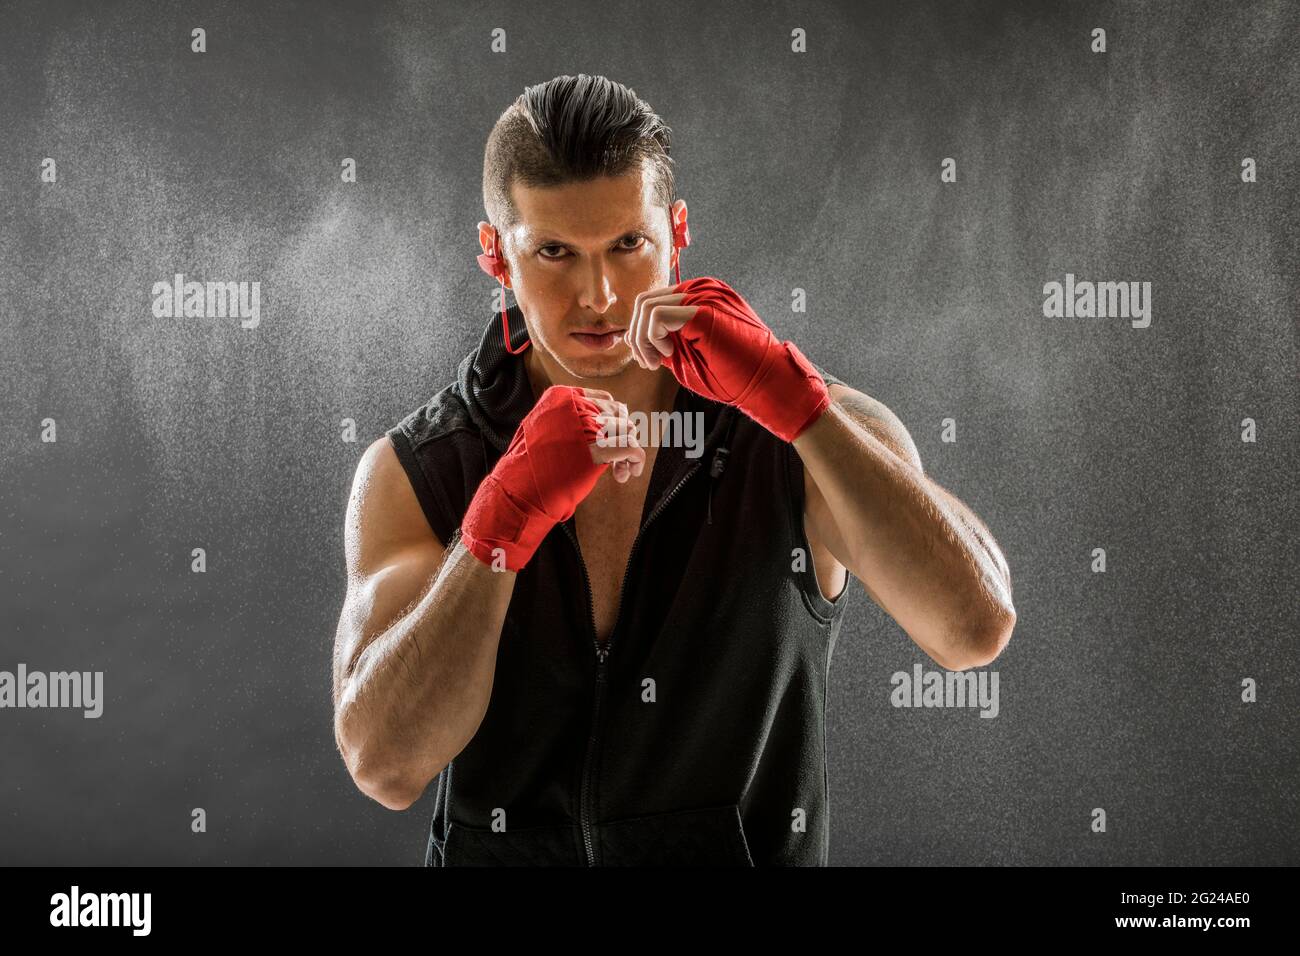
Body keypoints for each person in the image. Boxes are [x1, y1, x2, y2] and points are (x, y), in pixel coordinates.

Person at [331, 74, 1016, 866]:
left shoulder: (798, 437)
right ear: (497, 258)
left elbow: (974, 628)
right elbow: (385, 765)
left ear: (677, 231)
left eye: (629, 244)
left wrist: (800, 409)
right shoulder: (420, 467)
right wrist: (499, 520)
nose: (601, 294)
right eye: (554, 252)